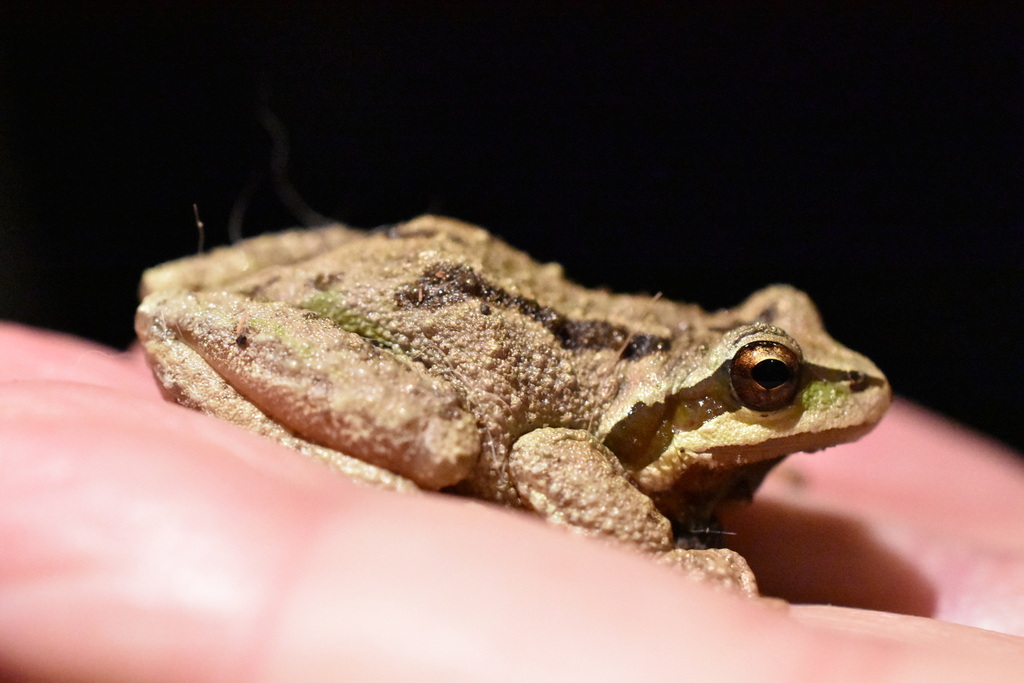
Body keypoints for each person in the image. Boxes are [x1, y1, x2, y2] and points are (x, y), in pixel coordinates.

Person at [1, 322, 1022, 681]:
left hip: (432, 291)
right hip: (407, 339)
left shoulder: (667, 412)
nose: (842, 392)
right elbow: (544, 450)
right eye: (769, 380)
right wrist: (665, 550)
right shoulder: (614, 429)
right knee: (445, 441)